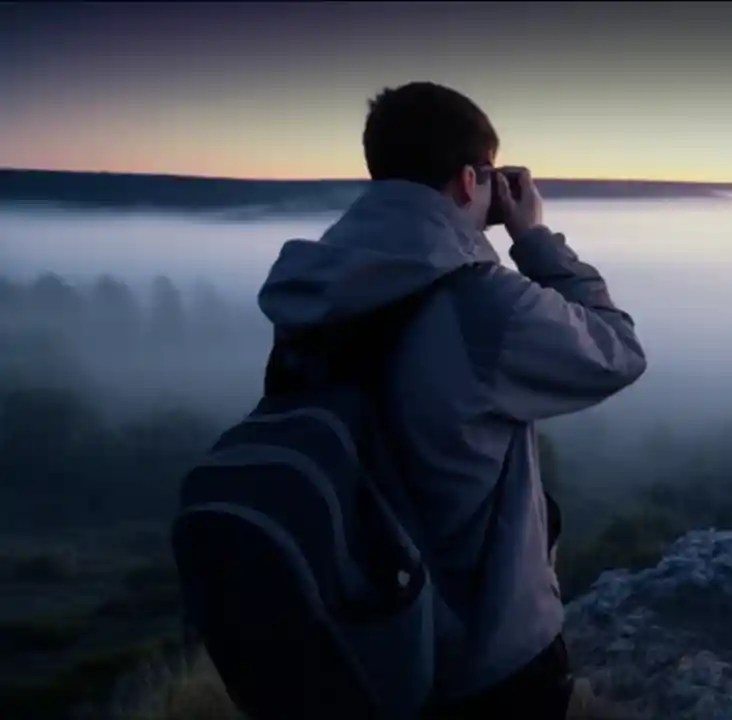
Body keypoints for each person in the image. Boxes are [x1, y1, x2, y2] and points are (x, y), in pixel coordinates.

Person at [256, 81, 647, 719]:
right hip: (485, 663)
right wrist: (534, 239)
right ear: (471, 181)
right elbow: (618, 350)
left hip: (367, 634)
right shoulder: (481, 302)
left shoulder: (317, 286)